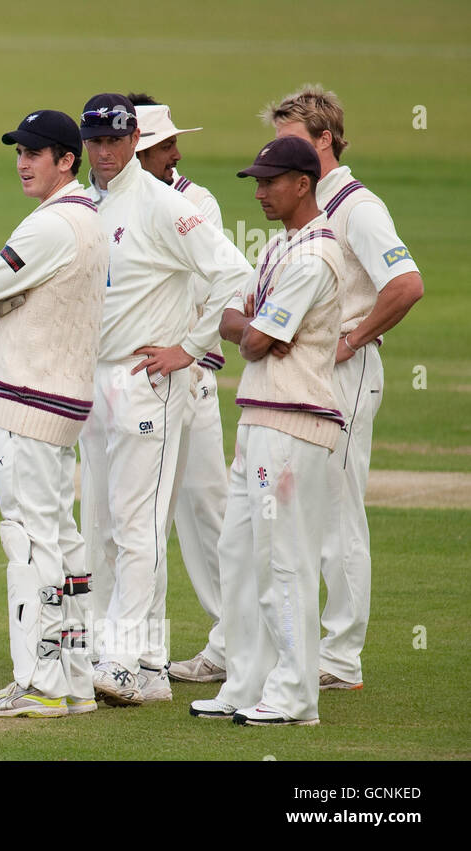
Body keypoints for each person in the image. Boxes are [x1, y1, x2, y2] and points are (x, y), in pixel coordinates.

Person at [76, 93, 251, 706]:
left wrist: (190, 346)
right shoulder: (87, 203)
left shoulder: (163, 205)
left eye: (113, 140)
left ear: (133, 143)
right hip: (93, 382)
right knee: (99, 523)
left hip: (148, 382)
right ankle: (144, 665)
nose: (102, 151)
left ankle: (122, 657)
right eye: (93, 141)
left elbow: (235, 272)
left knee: (137, 523)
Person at [263, 85, 423, 691]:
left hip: (345, 374)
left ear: (324, 139)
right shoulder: (302, 205)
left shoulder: (357, 206)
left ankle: (340, 658)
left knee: (338, 513)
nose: (280, 156)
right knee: (297, 506)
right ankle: (297, 647)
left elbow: (406, 284)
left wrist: (351, 342)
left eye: (292, 141)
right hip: (306, 373)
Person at [190, 136, 344, 725]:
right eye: (255, 182)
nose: (259, 192)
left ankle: (294, 696)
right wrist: (249, 326)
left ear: (303, 183)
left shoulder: (312, 258)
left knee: (285, 559)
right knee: (239, 553)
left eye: (269, 182)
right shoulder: (283, 247)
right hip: (258, 415)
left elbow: (254, 337)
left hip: (292, 421)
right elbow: (237, 317)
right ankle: (245, 683)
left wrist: (249, 327)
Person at [0, 109, 107, 718]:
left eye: (35, 152)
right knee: (63, 538)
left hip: (29, 401)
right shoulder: (90, 218)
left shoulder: (51, 227)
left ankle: (42, 683)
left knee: (31, 538)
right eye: (18, 151)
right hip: (58, 400)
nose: (22, 162)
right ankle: (73, 680)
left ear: (65, 159)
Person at [127, 94, 230, 685]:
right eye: (165, 145)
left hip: (189, 379)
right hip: (128, 387)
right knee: (137, 522)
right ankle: (136, 653)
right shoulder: (99, 202)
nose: (177, 153)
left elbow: (215, 284)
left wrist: (186, 352)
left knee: (206, 511)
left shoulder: (193, 201)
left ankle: (235, 643)